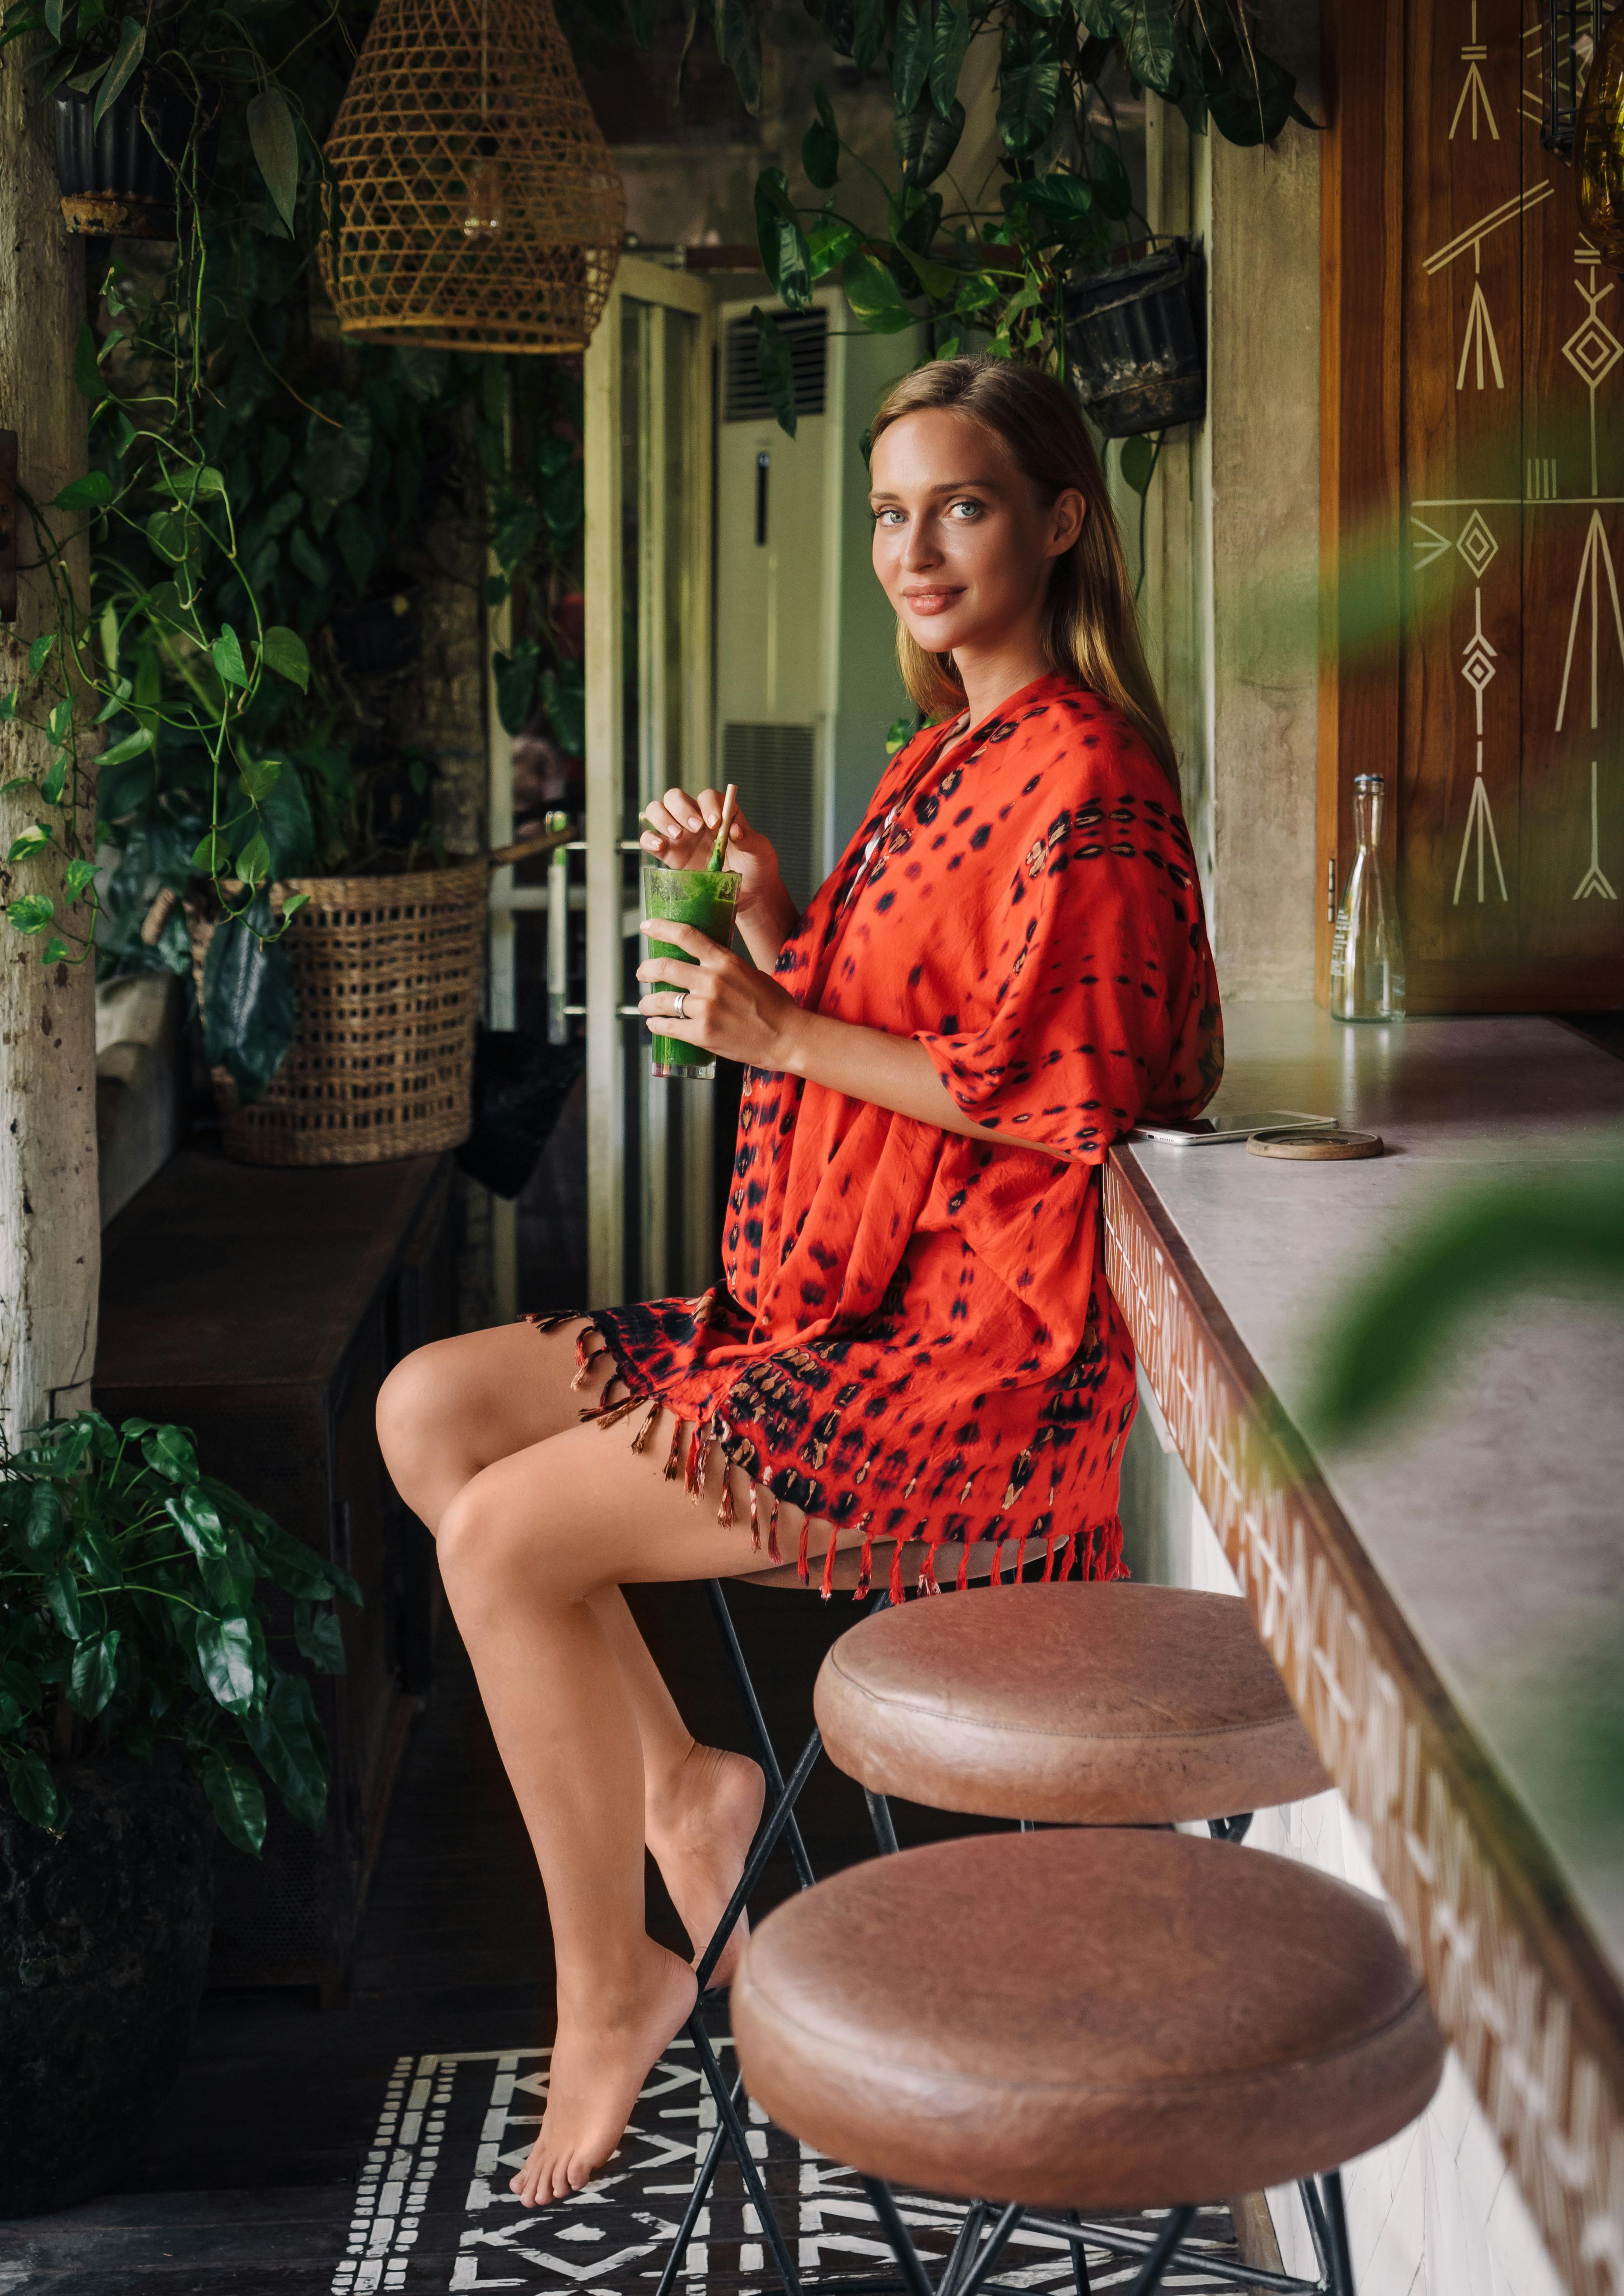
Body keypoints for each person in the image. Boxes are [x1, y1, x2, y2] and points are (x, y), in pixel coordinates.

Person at [376, 355, 1224, 2212]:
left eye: (961, 505)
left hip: (973, 1364)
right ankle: (687, 1795)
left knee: (504, 1541)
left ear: (1063, 520)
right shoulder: (947, 751)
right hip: (843, 1310)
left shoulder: (1082, 769)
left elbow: (1049, 1088)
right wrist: (769, 915)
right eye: (888, 510)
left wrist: (773, 1017)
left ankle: (613, 1981)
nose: (910, 549)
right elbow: (900, 1013)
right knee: (427, 1404)